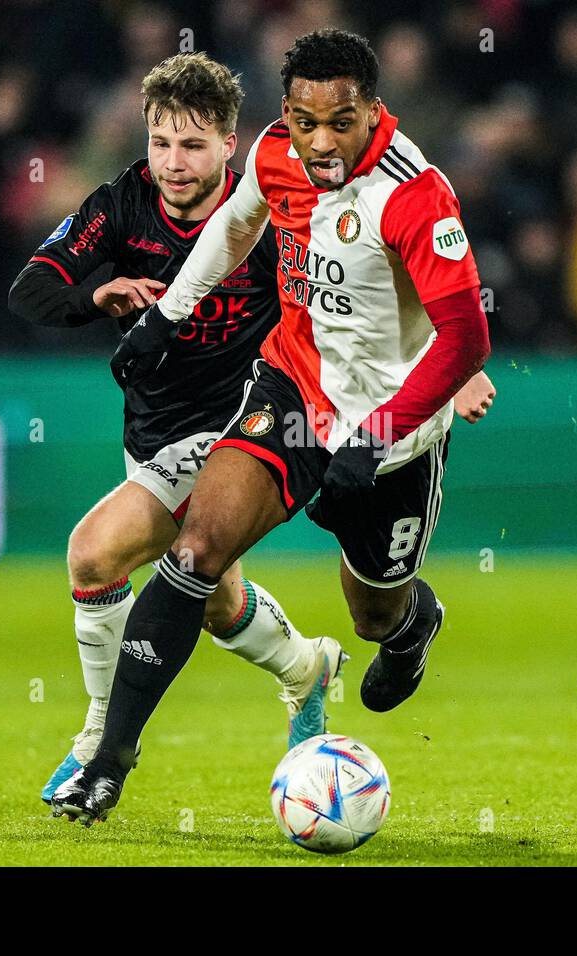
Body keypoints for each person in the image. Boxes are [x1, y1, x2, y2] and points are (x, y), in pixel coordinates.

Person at [52, 30, 493, 826]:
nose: (320, 142)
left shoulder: (418, 194)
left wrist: (382, 431)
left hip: (395, 432)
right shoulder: (275, 152)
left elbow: (466, 339)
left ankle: (411, 623)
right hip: (292, 391)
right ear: (286, 110)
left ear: (374, 112)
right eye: (303, 119)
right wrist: (167, 317)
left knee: (371, 611)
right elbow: (234, 226)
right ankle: (109, 759)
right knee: (193, 555)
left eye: (342, 122)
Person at [8, 53, 348, 803]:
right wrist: (100, 293)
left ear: (230, 145)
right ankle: (307, 668)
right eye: (160, 141)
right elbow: (30, 290)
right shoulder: (122, 204)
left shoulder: (263, 217)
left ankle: (98, 741)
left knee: (94, 556)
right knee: (215, 600)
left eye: (192, 145)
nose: (172, 162)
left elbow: (343, 301)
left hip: (240, 425)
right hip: (152, 437)